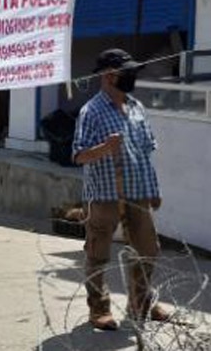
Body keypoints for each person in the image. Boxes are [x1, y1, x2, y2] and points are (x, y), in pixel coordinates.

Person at [73, 48, 172, 331]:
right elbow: (79, 155)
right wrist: (105, 148)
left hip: (138, 193)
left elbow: (145, 153)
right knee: (98, 253)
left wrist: (154, 190)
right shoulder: (91, 111)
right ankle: (99, 310)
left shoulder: (136, 107)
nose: (132, 76)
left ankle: (140, 303)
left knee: (148, 249)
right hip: (104, 195)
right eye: (126, 72)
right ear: (108, 75)